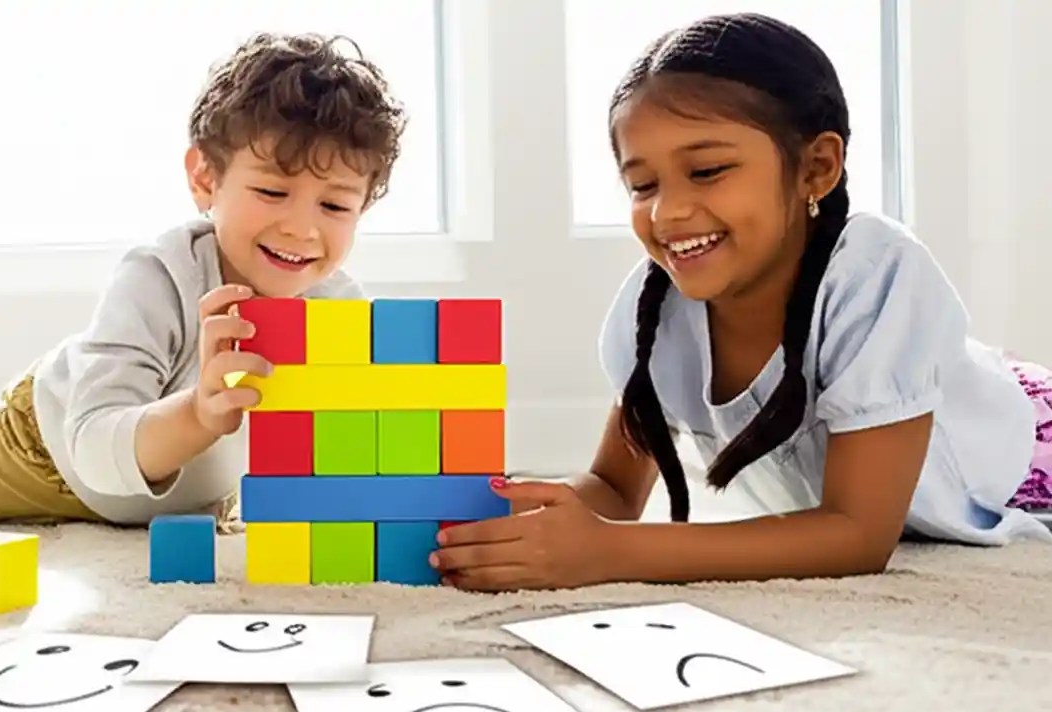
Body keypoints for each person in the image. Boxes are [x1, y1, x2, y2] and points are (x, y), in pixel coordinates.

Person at [432, 12, 1052, 591]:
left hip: (1027, 450)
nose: (668, 211)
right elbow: (613, 489)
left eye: (706, 172)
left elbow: (858, 536)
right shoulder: (653, 313)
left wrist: (612, 553)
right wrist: (515, 519)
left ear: (817, 168)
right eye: (642, 184)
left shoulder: (875, 273)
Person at [0, 32, 407, 528]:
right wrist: (198, 416)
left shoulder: (338, 305)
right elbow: (94, 447)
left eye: (334, 207)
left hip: (183, 498)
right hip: (48, 452)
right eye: (272, 192)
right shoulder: (160, 276)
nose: (303, 229)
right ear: (205, 177)